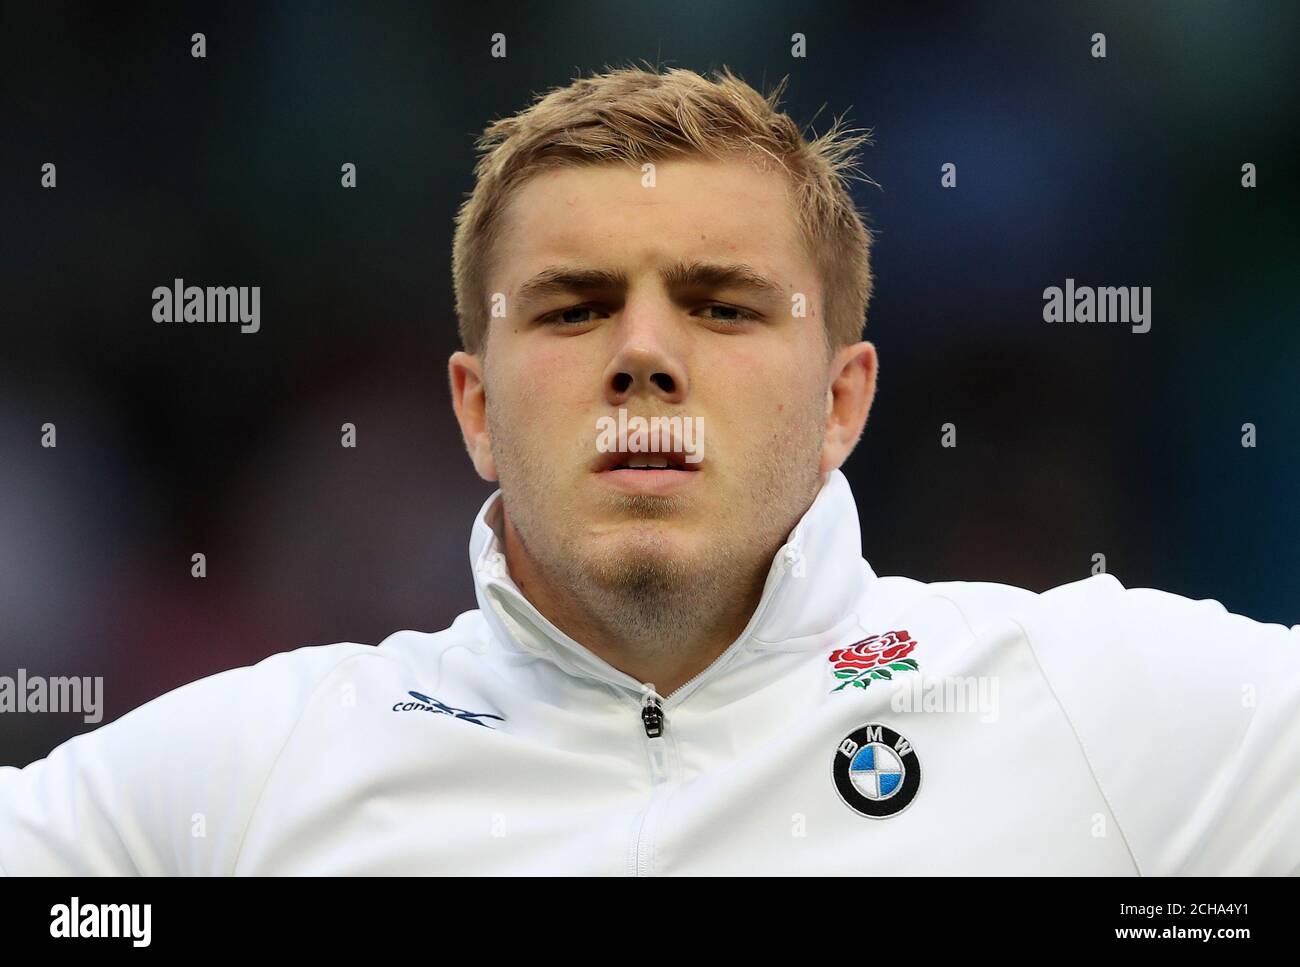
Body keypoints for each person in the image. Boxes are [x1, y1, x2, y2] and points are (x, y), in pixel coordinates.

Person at [2, 65, 1296, 875]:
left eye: (724, 307)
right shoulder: (245, 780)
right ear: (476, 413)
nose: (643, 355)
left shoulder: (1099, 712)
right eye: (570, 310)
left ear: (846, 401)